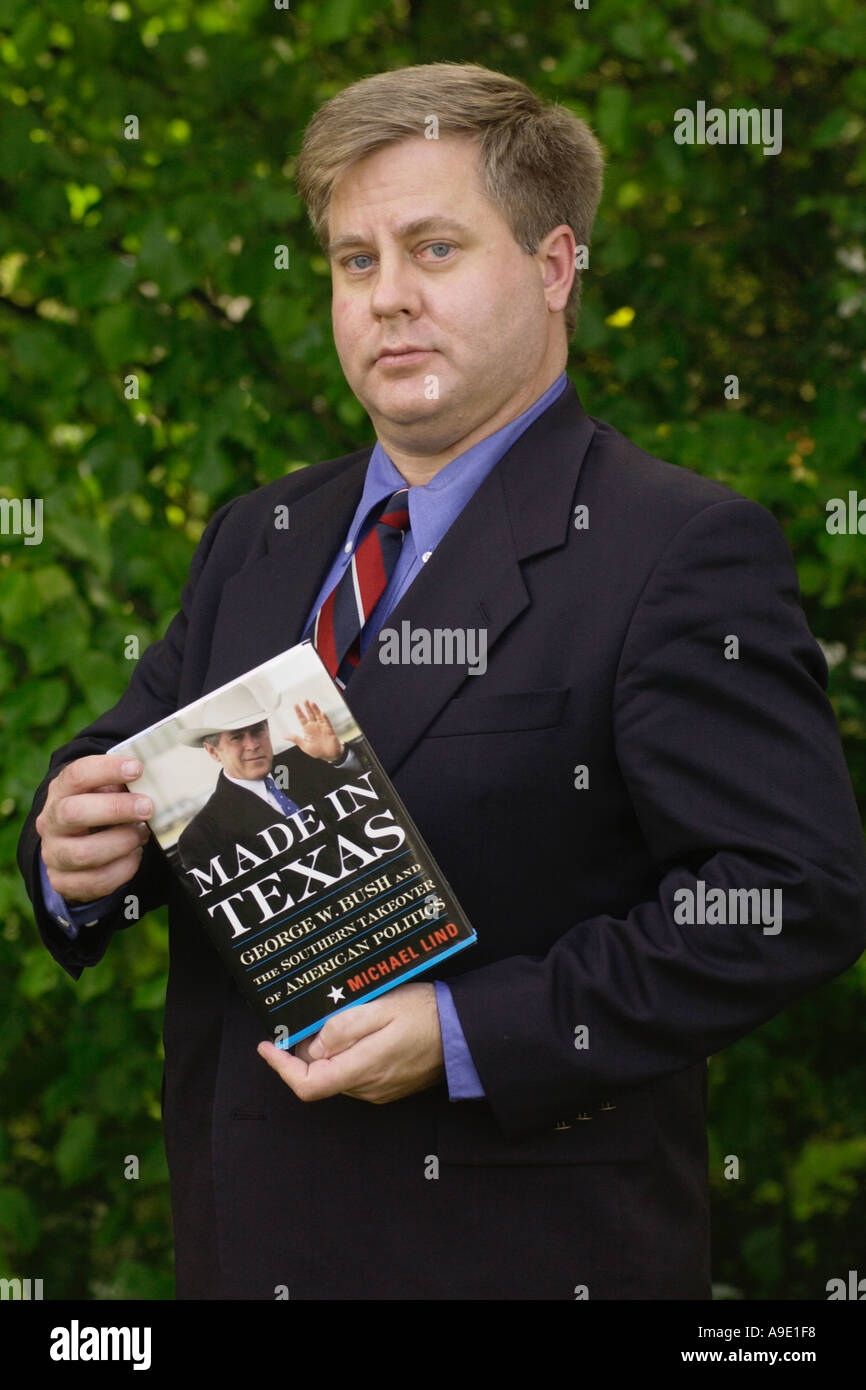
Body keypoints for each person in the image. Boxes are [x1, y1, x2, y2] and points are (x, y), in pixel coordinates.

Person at [18, 62, 866, 1300]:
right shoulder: (261, 533)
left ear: (553, 266)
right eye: (354, 262)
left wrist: (468, 1034)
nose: (389, 299)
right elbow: (131, 768)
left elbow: (792, 894)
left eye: (433, 248)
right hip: (241, 1248)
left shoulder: (672, 548)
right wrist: (74, 853)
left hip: (516, 1258)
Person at [174, 694, 360, 873]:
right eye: (237, 737)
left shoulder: (311, 757)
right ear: (213, 752)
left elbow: (374, 791)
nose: (253, 745)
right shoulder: (203, 835)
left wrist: (339, 757)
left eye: (257, 731)